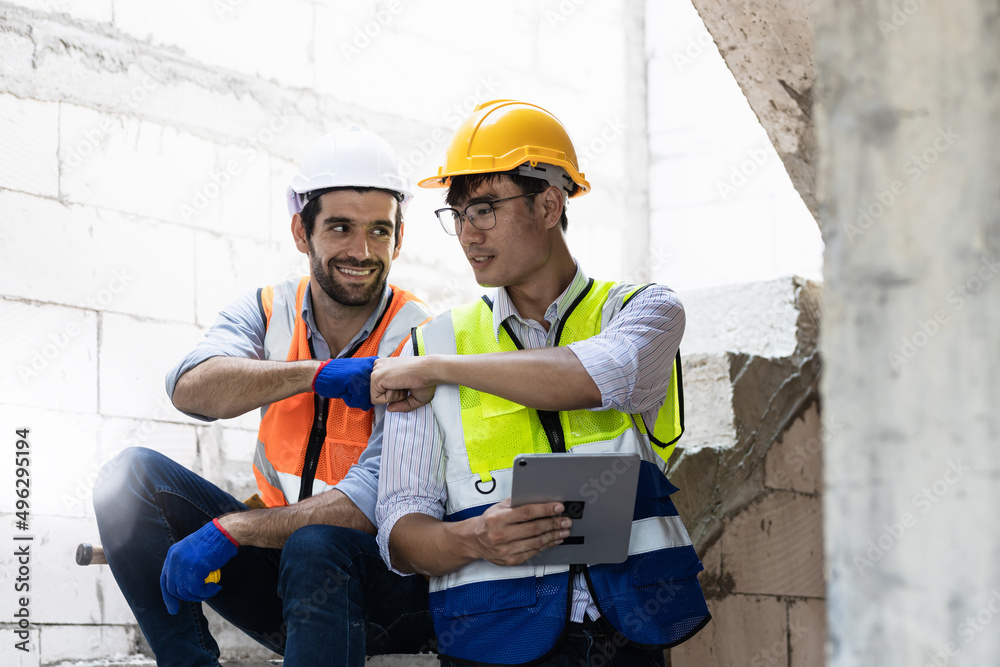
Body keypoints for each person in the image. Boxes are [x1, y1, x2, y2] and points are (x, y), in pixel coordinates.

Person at [372, 100, 710, 666]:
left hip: (629, 629)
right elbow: (401, 530)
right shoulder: (431, 342)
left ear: (550, 204)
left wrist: (437, 371)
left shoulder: (643, 312)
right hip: (492, 636)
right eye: (456, 215)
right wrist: (473, 539)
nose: (466, 234)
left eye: (483, 210)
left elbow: (601, 376)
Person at [93, 126, 435, 667]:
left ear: (399, 238)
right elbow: (191, 388)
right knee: (128, 477)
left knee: (316, 542)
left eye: (379, 232)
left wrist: (233, 528)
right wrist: (312, 374)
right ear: (302, 231)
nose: (362, 251)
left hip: (383, 590)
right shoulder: (267, 309)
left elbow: (368, 504)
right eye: (340, 228)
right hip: (284, 577)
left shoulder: (422, 339)